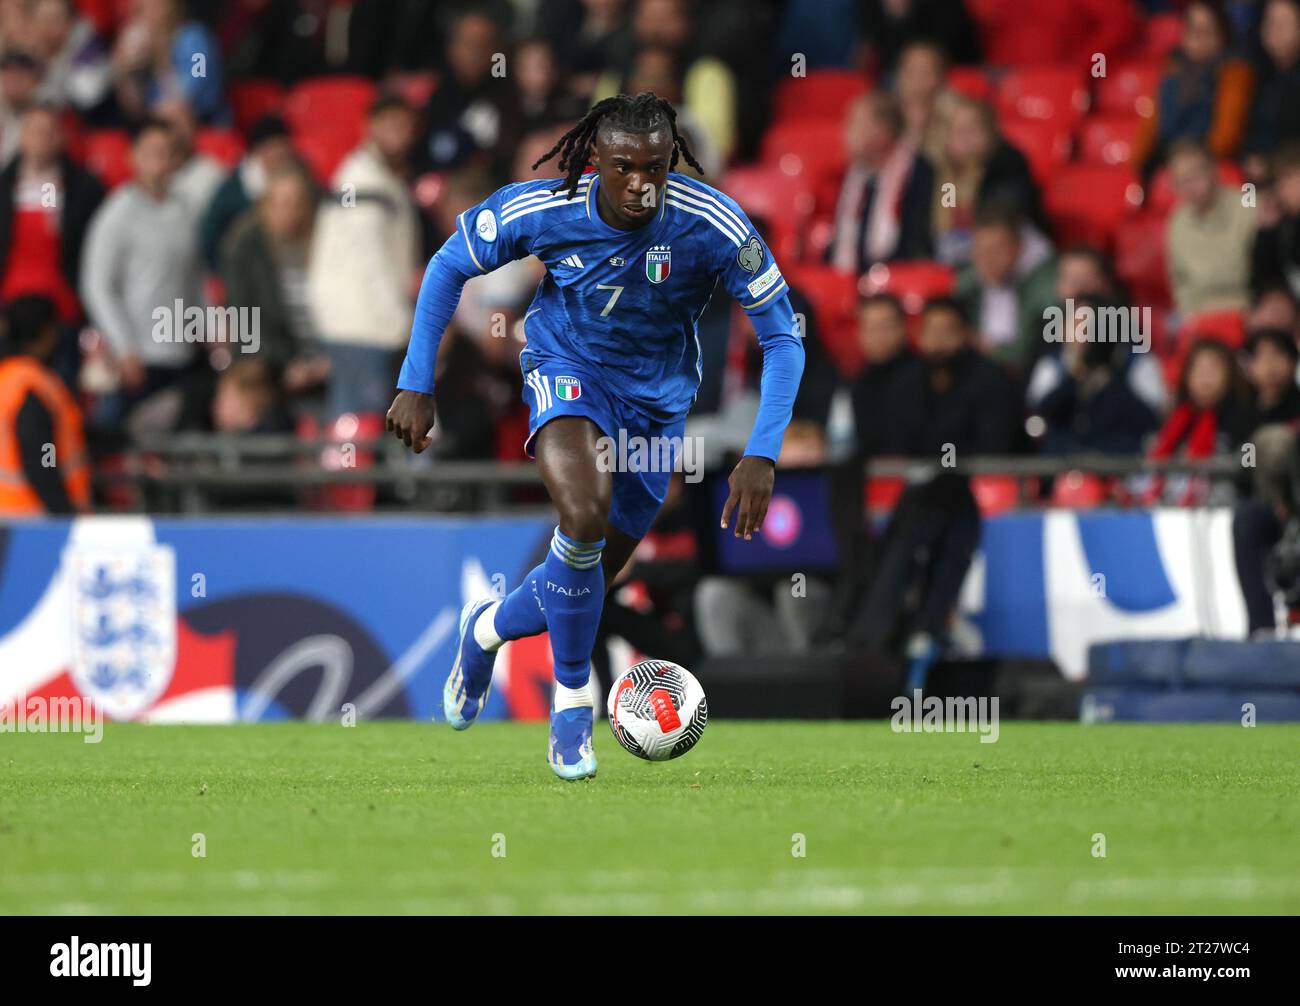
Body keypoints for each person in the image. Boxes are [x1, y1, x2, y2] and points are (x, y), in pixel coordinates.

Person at [386, 92, 804, 780]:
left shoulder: (713, 224)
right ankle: (573, 704)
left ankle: (485, 628)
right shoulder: (545, 206)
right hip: (567, 369)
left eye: (655, 166)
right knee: (582, 515)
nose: (640, 183)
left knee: (582, 579)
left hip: (657, 406)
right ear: (594, 161)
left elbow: (784, 338)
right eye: (623, 166)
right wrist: (416, 379)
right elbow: (447, 265)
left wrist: (762, 451)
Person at [307, 92, 420, 418]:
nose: (400, 136)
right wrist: (404, 324)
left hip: (371, 323)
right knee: (360, 431)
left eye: (406, 127)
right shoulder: (361, 180)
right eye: (391, 126)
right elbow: (368, 261)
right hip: (361, 325)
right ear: (370, 127)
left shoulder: (385, 179)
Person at [79, 117, 202, 411]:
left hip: (182, 351)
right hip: (138, 356)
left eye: (167, 151)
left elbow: (195, 277)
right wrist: (125, 347)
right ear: (133, 156)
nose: (159, 160)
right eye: (151, 151)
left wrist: (213, 330)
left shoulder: (185, 209)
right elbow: (97, 286)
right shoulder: (116, 214)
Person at [826, 92, 934, 275]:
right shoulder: (853, 177)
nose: (846, 132)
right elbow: (839, 244)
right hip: (854, 279)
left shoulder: (918, 173)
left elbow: (917, 245)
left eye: (855, 123)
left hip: (896, 278)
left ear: (881, 131)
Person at [0, 294, 89, 514]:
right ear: (46, 331)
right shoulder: (32, 385)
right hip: (31, 520)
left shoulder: (7, 377)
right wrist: (63, 513)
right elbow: (42, 454)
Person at [1166, 139, 1256, 318]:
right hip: (1197, 311)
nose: (1190, 186)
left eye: (1196, 175)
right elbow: (1179, 280)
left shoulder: (1247, 206)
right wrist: (1189, 314)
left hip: (1244, 306)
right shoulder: (1177, 220)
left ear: (1213, 171)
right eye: (1182, 181)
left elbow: (1255, 273)